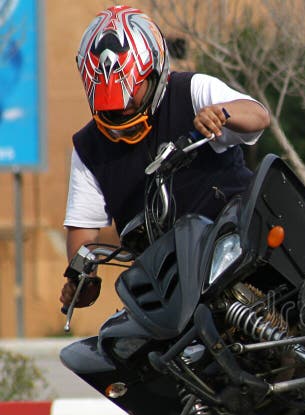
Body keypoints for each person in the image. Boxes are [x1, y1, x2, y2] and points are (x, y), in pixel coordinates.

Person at [60, 5, 270, 309]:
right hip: (169, 280)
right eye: (111, 101)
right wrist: (83, 280)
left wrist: (222, 113)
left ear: (155, 72)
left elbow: (258, 116)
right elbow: (82, 230)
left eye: (130, 97)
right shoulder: (88, 148)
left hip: (240, 240)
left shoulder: (192, 90)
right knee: (120, 335)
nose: (122, 109)